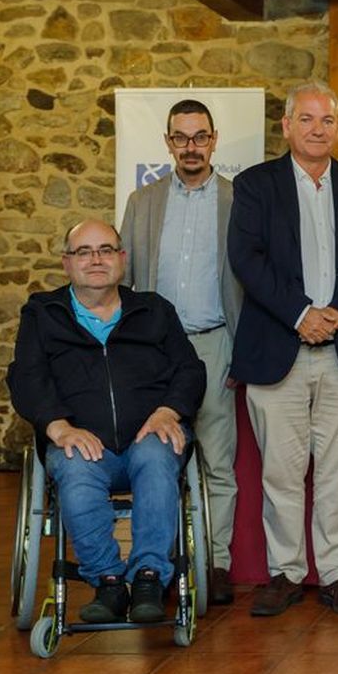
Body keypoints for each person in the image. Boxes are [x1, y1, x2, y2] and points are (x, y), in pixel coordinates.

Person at [228, 81, 338, 617]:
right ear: (286, 125)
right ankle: (285, 573)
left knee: (336, 471)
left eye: (326, 120)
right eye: (306, 119)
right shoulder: (255, 185)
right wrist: (301, 314)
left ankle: (337, 573)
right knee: (281, 470)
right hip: (278, 349)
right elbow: (246, 258)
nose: (317, 129)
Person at [8, 219, 207, 624]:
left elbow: (190, 369)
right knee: (76, 465)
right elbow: (27, 376)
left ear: (122, 258)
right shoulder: (43, 313)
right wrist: (59, 427)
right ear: (66, 262)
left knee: (157, 454)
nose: (95, 259)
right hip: (80, 439)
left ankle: (149, 578)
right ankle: (108, 582)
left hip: (147, 435)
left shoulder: (154, 310)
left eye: (105, 250)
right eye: (84, 252)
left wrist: (168, 411)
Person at [119, 98, 243, 606]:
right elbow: (124, 281)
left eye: (200, 137)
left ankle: (216, 564)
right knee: (158, 458)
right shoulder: (142, 201)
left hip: (216, 343)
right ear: (168, 142)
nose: (191, 147)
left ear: (213, 140)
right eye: (181, 137)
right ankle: (162, 564)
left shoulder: (238, 200)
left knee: (217, 460)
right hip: (156, 352)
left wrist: (243, 350)